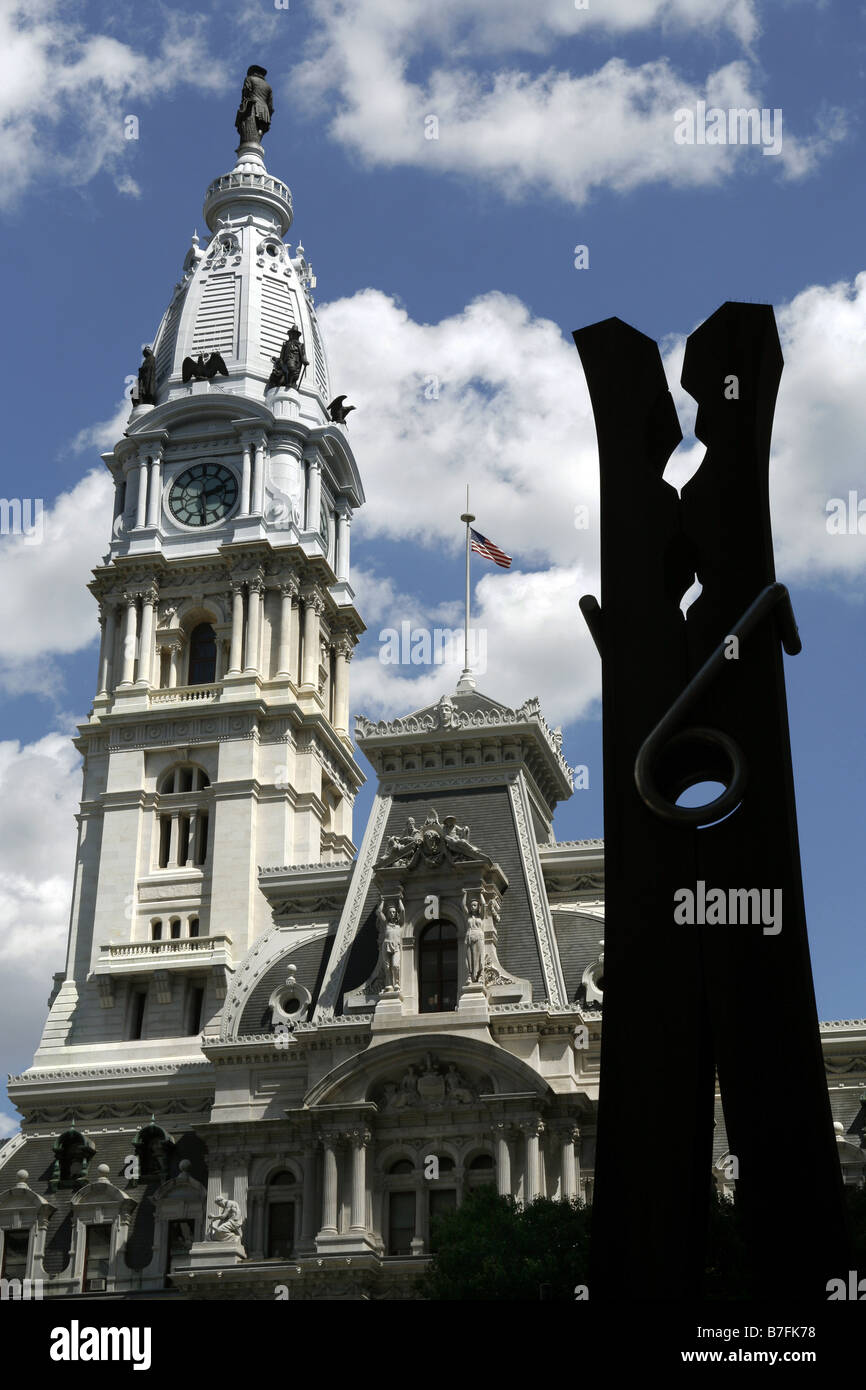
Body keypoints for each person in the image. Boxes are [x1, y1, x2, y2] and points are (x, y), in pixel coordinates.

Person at [235, 65, 274, 144]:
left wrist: (243, 105)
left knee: (249, 130)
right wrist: (269, 115)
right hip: (265, 111)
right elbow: (270, 105)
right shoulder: (268, 86)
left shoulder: (249, 79)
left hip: (252, 108)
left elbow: (246, 92)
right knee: (259, 132)